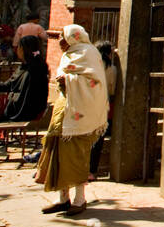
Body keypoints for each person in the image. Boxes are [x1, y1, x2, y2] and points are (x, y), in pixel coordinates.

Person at [35, 25, 107, 217]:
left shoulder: (88, 52)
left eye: (62, 36)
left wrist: (69, 80)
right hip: (63, 107)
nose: (59, 40)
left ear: (73, 37)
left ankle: (79, 199)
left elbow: (96, 82)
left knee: (76, 155)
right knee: (57, 151)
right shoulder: (68, 54)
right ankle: (62, 198)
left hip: (80, 111)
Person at [87, 40, 118, 181]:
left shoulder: (88, 66)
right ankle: (91, 171)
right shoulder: (111, 69)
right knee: (98, 139)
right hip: (102, 105)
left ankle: (79, 168)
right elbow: (112, 89)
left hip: (85, 104)